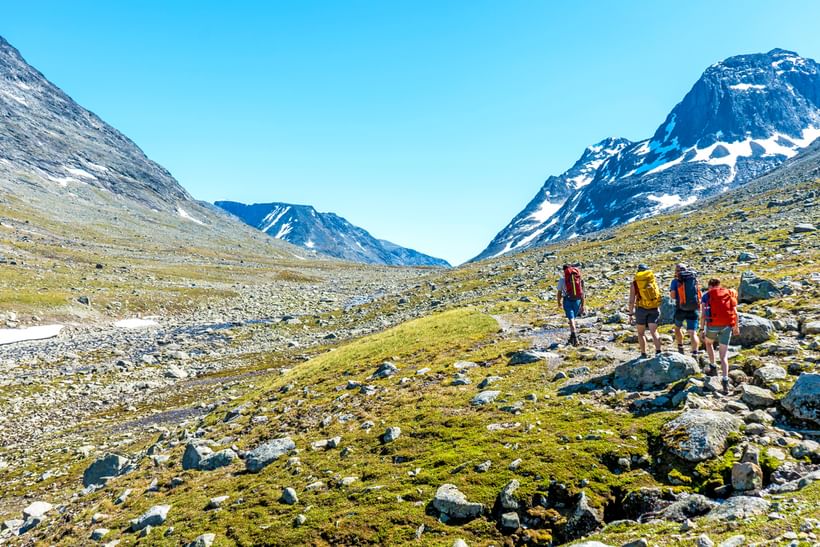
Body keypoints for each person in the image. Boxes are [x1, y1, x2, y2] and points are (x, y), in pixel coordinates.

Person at [701, 278, 740, 395]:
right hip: (727, 326)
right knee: (723, 356)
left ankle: (713, 367)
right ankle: (725, 381)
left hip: (712, 325)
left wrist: (702, 329)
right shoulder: (727, 293)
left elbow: (703, 315)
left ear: (709, 286)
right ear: (719, 285)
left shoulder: (706, 296)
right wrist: (736, 327)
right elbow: (736, 313)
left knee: (708, 343)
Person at [628, 264, 662, 358]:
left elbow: (631, 301)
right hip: (654, 308)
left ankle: (643, 353)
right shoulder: (652, 280)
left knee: (640, 333)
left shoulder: (635, 283)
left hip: (641, 309)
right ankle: (658, 352)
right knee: (654, 331)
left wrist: (630, 314)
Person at [669, 263, 701, 358]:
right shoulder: (693, 279)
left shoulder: (675, 281)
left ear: (677, 271)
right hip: (693, 308)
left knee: (677, 328)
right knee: (693, 332)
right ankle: (695, 353)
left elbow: (673, 296)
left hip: (680, 308)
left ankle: (680, 346)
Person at [557, 264, 585, 346]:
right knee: (573, 318)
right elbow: (582, 293)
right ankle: (572, 336)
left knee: (571, 319)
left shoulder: (562, 280)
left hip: (567, 301)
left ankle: (575, 338)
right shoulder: (578, 278)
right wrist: (582, 305)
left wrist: (559, 302)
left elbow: (559, 293)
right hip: (578, 301)